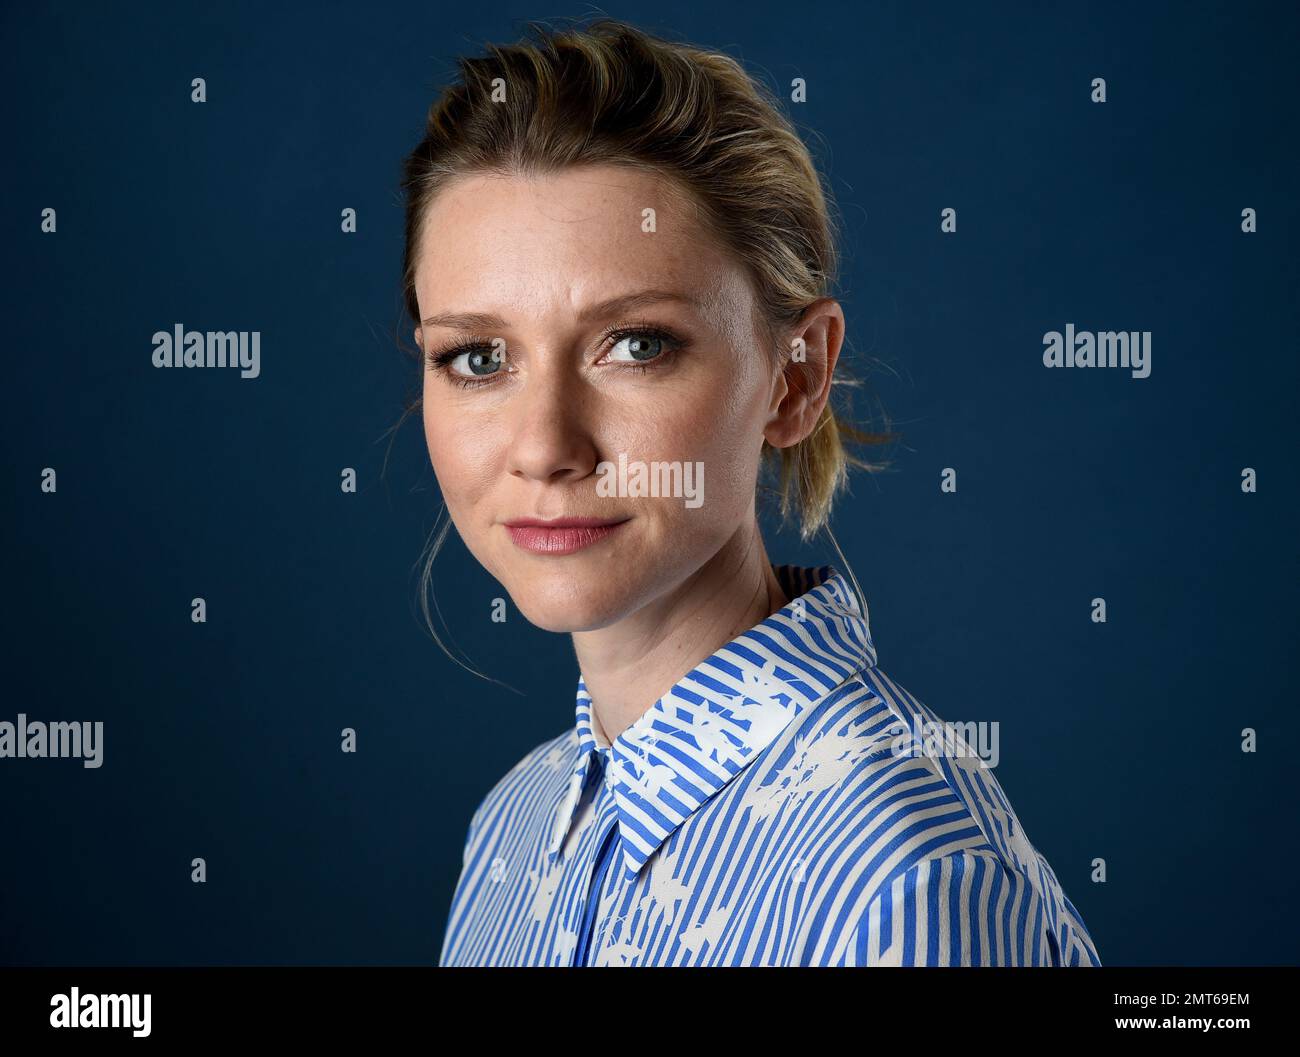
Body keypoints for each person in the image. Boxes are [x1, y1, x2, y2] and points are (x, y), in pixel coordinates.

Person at [400, 17, 1100, 966]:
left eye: (637, 343)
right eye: (478, 357)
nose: (546, 447)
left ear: (795, 377)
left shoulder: (911, 883)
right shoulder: (514, 828)